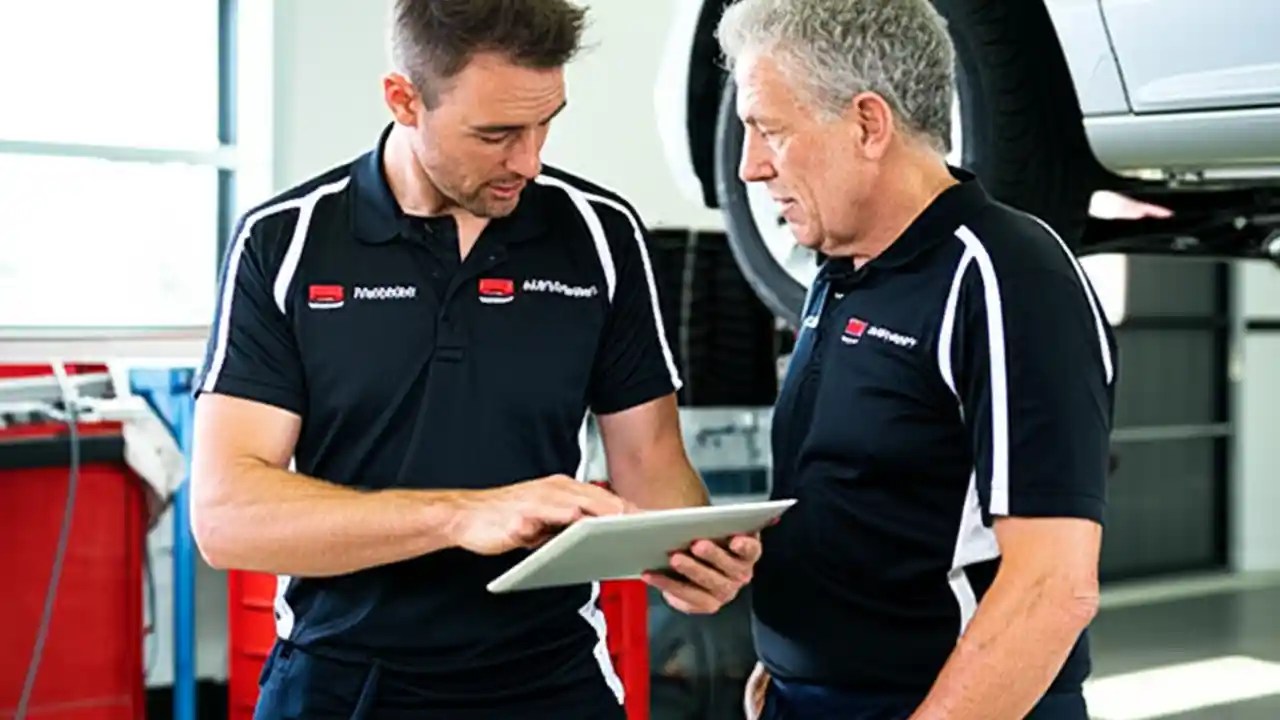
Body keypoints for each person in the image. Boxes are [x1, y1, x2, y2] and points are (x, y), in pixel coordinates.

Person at [189, 1, 762, 717]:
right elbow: (225, 517)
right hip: (342, 683)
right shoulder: (286, 243)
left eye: (546, 121)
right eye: (496, 134)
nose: (529, 160)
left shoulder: (600, 236)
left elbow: (651, 467)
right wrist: (460, 517)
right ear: (403, 99)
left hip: (551, 678)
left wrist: (693, 554)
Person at [716, 0, 1117, 718]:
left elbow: (1053, 587)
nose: (749, 167)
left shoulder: (1007, 277)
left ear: (869, 124)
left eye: (769, 130)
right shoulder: (840, 271)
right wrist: (792, 666)